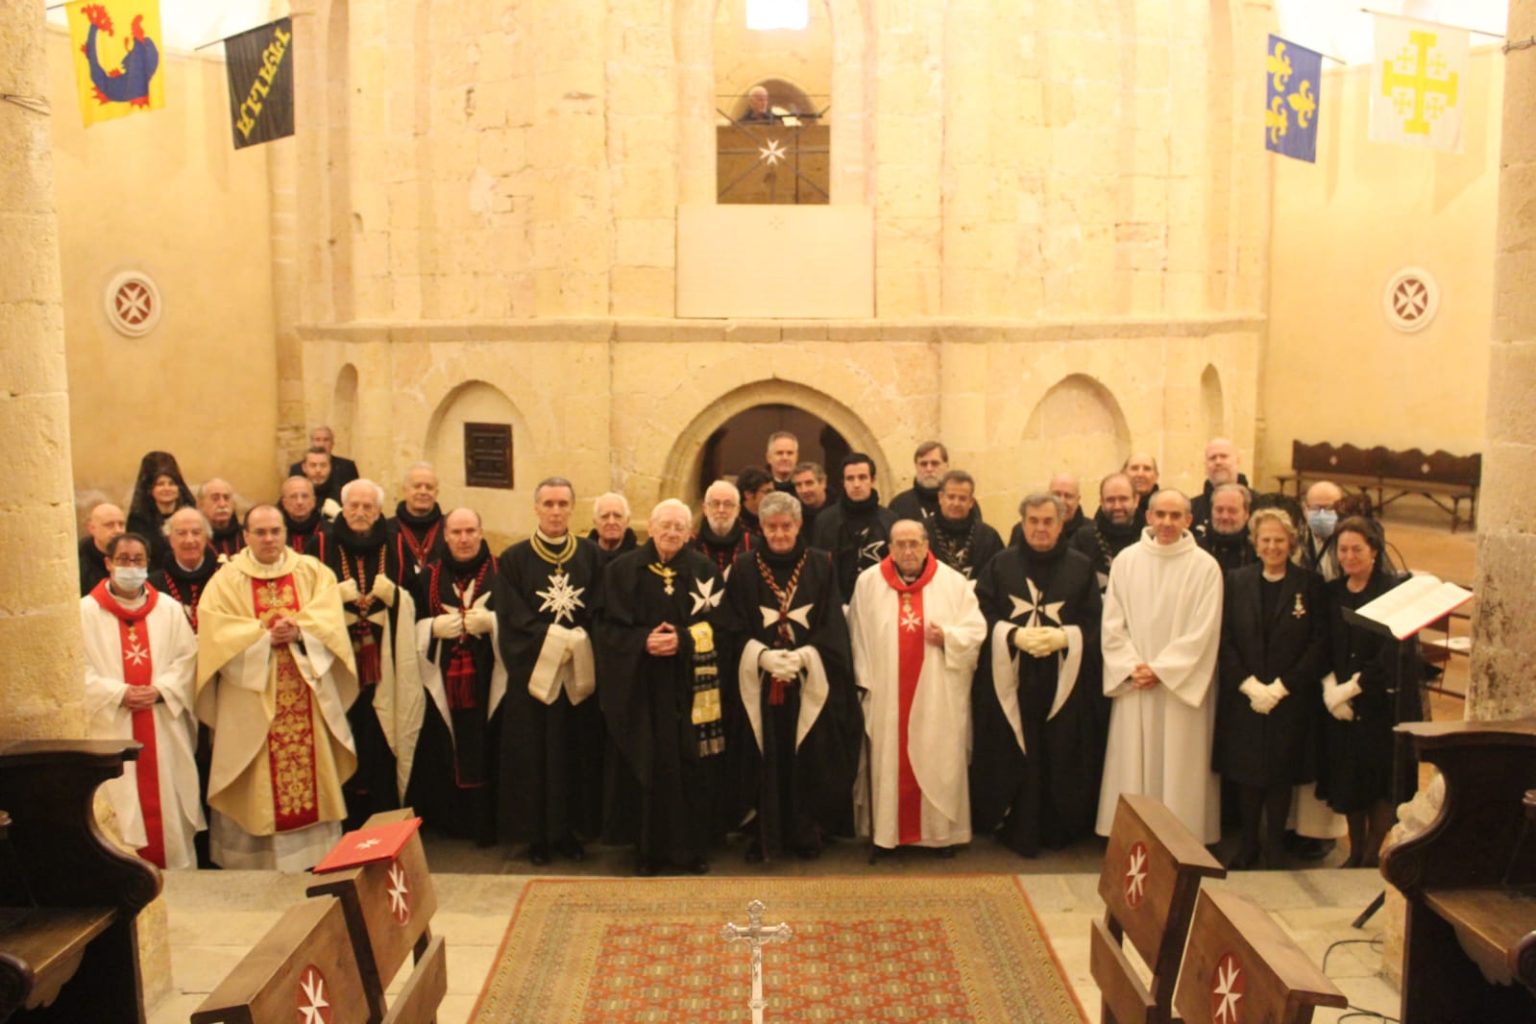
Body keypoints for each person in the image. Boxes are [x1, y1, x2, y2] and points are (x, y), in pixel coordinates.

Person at [195, 505, 358, 871]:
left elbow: (330, 621)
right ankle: (253, 860)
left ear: (285, 533)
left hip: (304, 688)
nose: (269, 539)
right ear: (246, 536)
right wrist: (262, 637)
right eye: (260, 532)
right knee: (252, 776)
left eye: (275, 531)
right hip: (250, 698)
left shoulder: (312, 572)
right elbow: (216, 633)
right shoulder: (226, 580)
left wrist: (300, 631)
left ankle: (313, 855)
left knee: (312, 773)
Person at [723, 492, 859, 862]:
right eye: (772, 527)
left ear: (798, 525)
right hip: (760, 681)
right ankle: (764, 832)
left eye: (786, 526)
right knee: (764, 754)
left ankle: (805, 829)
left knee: (806, 754)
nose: (780, 534)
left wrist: (804, 657)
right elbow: (731, 625)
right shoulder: (744, 568)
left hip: (807, 680)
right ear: (761, 528)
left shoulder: (820, 564)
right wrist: (761, 655)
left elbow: (832, 624)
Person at [597, 500, 730, 875]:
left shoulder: (705, 571)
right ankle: (647, 851)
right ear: (651, 528)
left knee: (691, 764)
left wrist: (683, 640)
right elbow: (605, 629)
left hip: (690, 686)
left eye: (679, 527)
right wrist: (642, 641)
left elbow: (724, 626)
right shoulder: (621, 571)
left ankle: (692, 849)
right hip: (641, 687)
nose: (672, 532)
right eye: (665, 525)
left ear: (689, 533)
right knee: (647, 761)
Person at [972, 494, 1104, 857]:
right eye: (1033, 521)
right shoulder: (1000, 564)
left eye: (1048, 521)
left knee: (1059, 748)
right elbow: (979, 612)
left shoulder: (1081, 567)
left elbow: (1096, 621)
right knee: (1016, 747)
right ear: (1022, 522)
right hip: (1012, 676)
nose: (1040, 528)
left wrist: (1067, 637)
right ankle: (1015, 824)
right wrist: (1011, 634)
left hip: (1063, 678)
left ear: (1061, 525)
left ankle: (1059, 825)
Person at [849, 520, 985, 856]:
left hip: (937, 694)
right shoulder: (869, 583)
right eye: (900, 544)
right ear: (890, 549)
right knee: (889, 759)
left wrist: (949, 637)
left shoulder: (953, 583)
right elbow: (856, 636)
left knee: (937, 756)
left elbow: (975, 631)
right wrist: (864, 683)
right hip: (886, 694)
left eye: (914, 544)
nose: (908, 551)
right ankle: (888, 835)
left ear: (926, 546)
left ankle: (939, 836)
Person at [1095, 489, 1224, 843]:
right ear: (1148, 517)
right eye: (1160, 514)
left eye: (1175, 515)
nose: (1167, 522)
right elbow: (1112, 622)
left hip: (1179, 688)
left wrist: (1162, 670)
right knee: (1132, 764)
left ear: (1189, 520)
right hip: (1135, 682)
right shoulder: (1126, 561)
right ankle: (1132, 840)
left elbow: (1204, 630)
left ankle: (1181, 840)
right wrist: (1131, 666)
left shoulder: (1205, 567)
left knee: (1180, 764)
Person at [495, 477, 604, 865]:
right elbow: (510, 617)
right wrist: (555, 639)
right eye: (548, 504)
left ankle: (571, 833)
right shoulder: (513, 559)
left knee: (575, 752)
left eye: (562, 504)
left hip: (578, 674)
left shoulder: (592, 555)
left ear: (572, 508)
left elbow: (601, 608)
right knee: (535, 755)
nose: (556, 511)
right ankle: (537, 836)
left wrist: (581, 640)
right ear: (536, 508)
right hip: (535, 678)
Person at [1213, 508, 1328, 869]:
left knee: (1281, 773)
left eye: (1279, 540)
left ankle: (1274, 845)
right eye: (1266, 540)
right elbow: (1223, 638)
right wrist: (1248, 685)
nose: (1272, 546)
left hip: (1289, 697)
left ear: (1291, 542)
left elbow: (1318, 642)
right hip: (1245, 696)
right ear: (1255, 542)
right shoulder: (1236, 581)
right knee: (1246, 772)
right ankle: (1249, 844)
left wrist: (1282, 687)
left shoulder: (1309, 584)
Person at [82, 532, 203, 869]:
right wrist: (119, 693)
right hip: (113, 726)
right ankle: (126, 877)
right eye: (123, 560)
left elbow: (188, 660)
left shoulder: (168, 609)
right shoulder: (85, 612)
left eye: (138, 560)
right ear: (108, 563)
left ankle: (177, 875)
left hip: (162, 724)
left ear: (148, 564)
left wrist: (161, 689)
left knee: (169, 803)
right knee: (119, 805)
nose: (131, 567)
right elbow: (76, 669)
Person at [307, 478, 418, 828]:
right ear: (343, 507)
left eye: (368, 506)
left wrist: (394, 596)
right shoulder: (320, 543)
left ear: (379, 511)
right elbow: (305, 602)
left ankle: (384, 816)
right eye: (353, 505)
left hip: (385, 659)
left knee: (382, 731)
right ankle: (343, 820)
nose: (360, 512)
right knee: (344, 729)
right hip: (338, 659)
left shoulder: (396, 543)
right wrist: (334, 598)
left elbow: (415, 597)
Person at [1318, 516, 1417, 868]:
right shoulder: (1332, 592)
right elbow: (1321, 641)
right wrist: (1332, 688)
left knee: (1379, 781)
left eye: (1356, 549)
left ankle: (1372, 854)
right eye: (1343, 549)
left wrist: (1354, 687)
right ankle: (1355, 849)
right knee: (1350, 780)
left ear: (1373, 551)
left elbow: (1395, 649)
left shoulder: (1393, 592)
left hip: (1380, 702)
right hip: (1341, 706)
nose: (1348, 556)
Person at [408, 508, 504, 844]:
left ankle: (488, 821)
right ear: (445, 535)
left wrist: (494, 623)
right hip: (443, 676)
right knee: (445, 744)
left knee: (488, 743)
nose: (464, 539)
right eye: (457, 532)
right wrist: (430, 628)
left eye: (470, 531)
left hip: (490, 676)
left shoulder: (502, 572)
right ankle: (451, 820)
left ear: (481, 531)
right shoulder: (427, 577)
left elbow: (519, 621)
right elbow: (407, 627)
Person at [812, 453, 898, 600]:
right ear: (843, 483)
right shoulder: (825, 522)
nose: (856, 484)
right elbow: (817, 569)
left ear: (873, 480)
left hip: (882, 600)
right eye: (850, 478)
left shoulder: (890, 521)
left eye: (862, 477)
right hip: (837, 603)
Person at [925, 470, 1003, 580]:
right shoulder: (921, 532)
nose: (956, 503)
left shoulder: (988, 537)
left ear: (971, 502)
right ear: (941, 498)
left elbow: (998, 577)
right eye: (951, 497)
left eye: (962, 498)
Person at [1069, 473, 1140, 592]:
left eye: (1123, 499)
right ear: (1101, 502)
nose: (1117, 506)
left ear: (1136, 500)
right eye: (1110, 500)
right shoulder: (1083, 539)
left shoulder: (1150, 539)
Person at [151, 508, 219, 630]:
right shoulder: (153, 585)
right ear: (170, 539)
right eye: (181, 533)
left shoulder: (224, 578)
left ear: (207, 538)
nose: (189, 540)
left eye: (196, 532)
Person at [127, 451, 195, 564]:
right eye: (160, 484)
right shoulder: (137, 521)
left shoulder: (191, 516)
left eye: (172, 483)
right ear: (150, 489)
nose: (167, 488)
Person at [692, 479, 760, 579]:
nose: (721, 510)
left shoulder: (754, 546)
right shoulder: (691, 545)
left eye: (728, 504)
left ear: (737, 510)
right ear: (705, 509)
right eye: (715, 504)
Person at [389, 462, 446, 576]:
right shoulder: (387, 529)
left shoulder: (450, 528)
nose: (423, 492)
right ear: (405, 490)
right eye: (417, 486)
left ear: (436, 493)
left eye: (429, 487)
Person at [1189, 438, 1249, 534]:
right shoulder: (1191, 509)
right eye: (1212, 458)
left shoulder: (1259, 505)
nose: (1218, 462)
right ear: (1205, 465)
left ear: (1238, 461)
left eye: (1224, 456)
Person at [889, 441, 952, 523]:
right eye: (923, 464)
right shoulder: (899, 505)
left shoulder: (958, 502)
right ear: (916, 466)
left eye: (935, 463)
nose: (929, 469)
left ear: (946, 466)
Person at [1200, 483, 1257, 571]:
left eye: (1232, 511)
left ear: (1246, 514)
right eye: (1219, 510)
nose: (1225, 517)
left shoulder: (1257, 551)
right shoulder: (1196, 548)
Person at [287, 425, 359, 487]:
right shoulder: (297, 469)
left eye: (326, 440)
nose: (321, 444)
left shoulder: (347, 467)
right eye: (317, 440)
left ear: (332, 443)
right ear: (311, 443)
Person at [78, 501, 127, 595]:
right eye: (109, 525)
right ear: (92, 529)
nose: (118, 530)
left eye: (121, 524)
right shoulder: (79, 564)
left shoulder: (134, 553)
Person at [1300, 480, 1344, 579]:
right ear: (1305, 508)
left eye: (1329, 508)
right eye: (1316, 508)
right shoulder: (1296, 539)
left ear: (1340, 509)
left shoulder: (1348, 538)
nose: (1322, 514)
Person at [587, 491, 638, 566]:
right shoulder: (582, 557)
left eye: (617, 516)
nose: (611, 522)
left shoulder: (640, 559)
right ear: (595, 522)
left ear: (627, 521)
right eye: (605, 516)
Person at [279, 476, 327, 553]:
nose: (299, 502)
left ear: (313, 501)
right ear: (284, 503)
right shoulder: (276, 532)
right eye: (293, 497)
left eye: (305, 496)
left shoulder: (328, 532)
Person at [198, 478, 243, 559]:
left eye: (226, 498)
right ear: (200, 505)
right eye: (215, 498)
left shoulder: (246, 535)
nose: (222, 504)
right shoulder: (194, 538)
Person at [301, 448, 343, 517]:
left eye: (323, 465)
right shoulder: (296, 495)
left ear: (330, 467)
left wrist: (338, 515)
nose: (318, 470)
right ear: (304, 468)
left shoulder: (342, 495)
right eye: (313, 465)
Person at [791, 461, 830, 533]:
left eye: (809, 483)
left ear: (823, 483)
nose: (804, 490)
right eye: (798, 485)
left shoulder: (840, 511)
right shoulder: (792, 514)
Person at [1123, 452, 1160, 523]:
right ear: (1124, 473)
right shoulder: (1113, 505)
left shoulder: (1166, 506)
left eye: (1147, 469)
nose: (1140, 474)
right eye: (1134, 468)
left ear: (1156, 476)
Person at [737, 466, 775, 535]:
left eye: (773, 492)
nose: (772, 496)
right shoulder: (735, 523)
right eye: (767, 492)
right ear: (748, 494)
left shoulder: (774, 517)